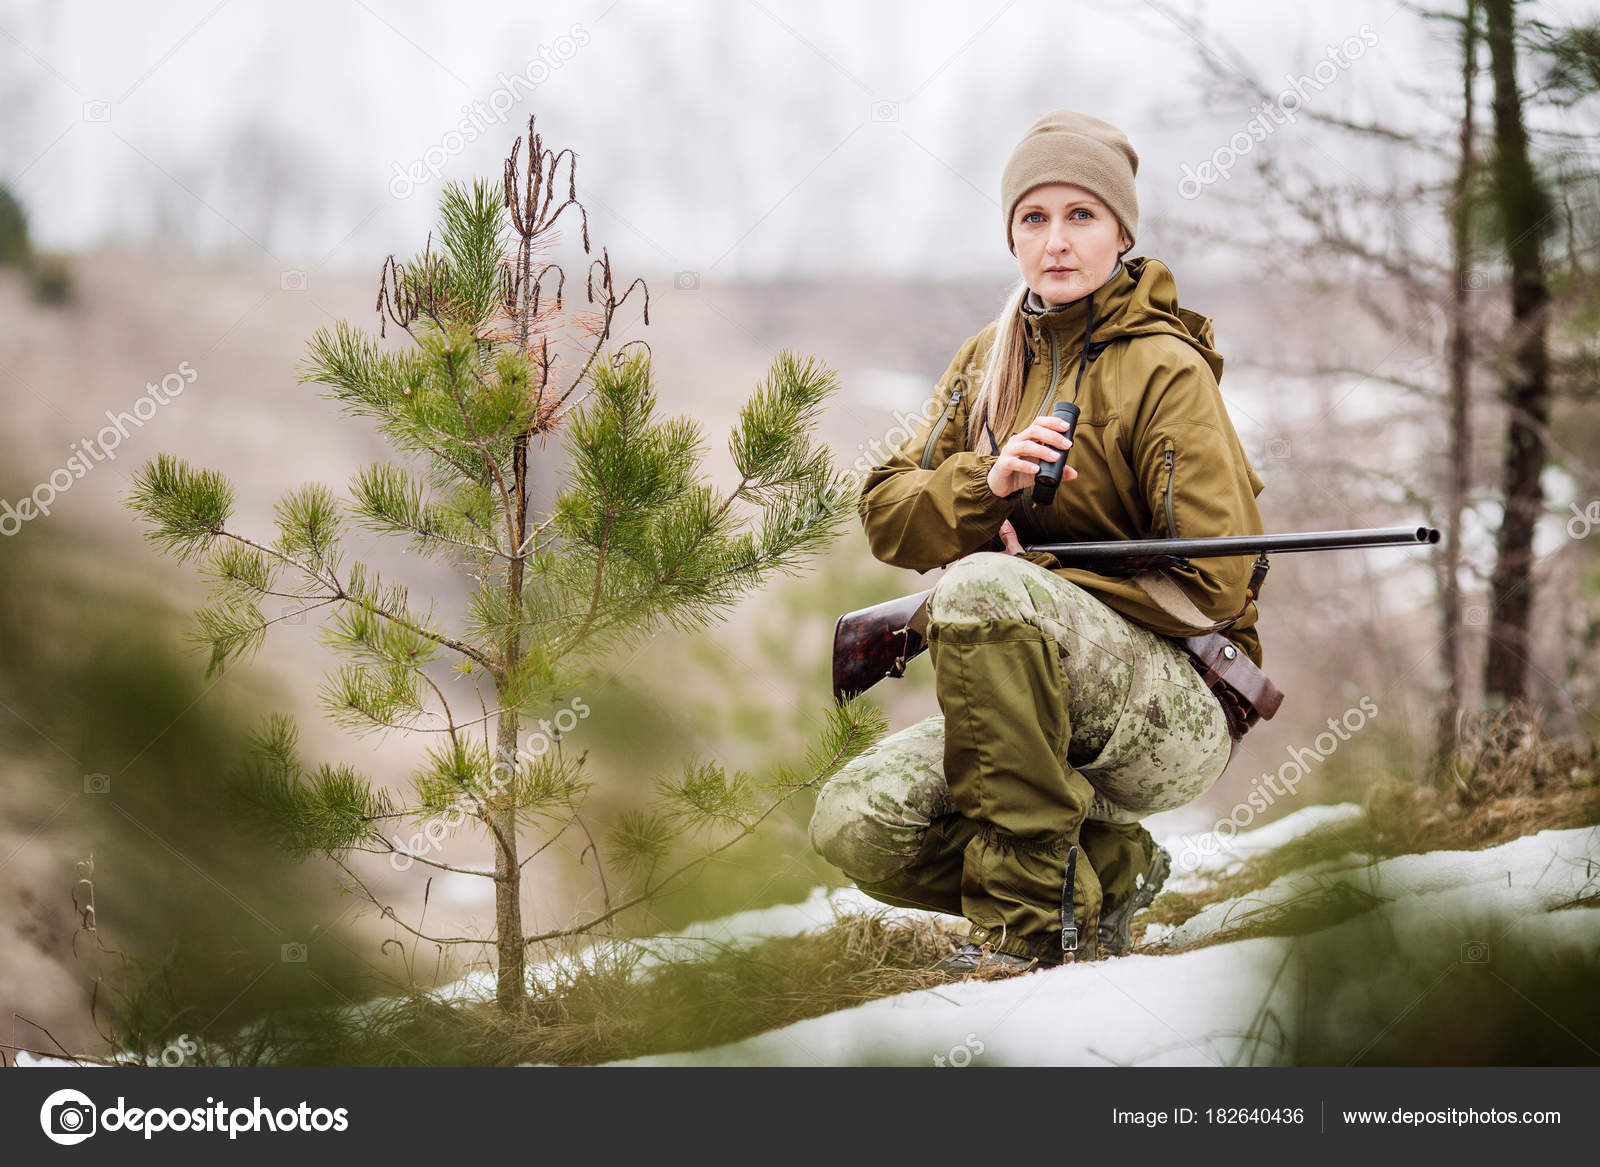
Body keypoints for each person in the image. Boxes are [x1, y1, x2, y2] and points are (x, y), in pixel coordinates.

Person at [808, 109, 1269, 974]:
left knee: (987, 589)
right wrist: (990, 483)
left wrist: (1037, 583)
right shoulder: (988, 360)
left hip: (1176, 711)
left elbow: (1217, 583)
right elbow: (886, 513)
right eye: (1034, 217)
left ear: (1122, 230)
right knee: (853, 821)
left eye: (1082, 215)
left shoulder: (1163, 367)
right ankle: (1108, 872)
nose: (1057, 240)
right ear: (1012, 234)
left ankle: (1028, 932)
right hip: (1033, 711)